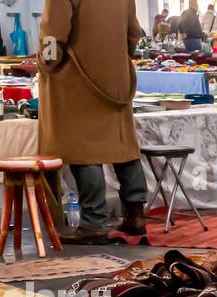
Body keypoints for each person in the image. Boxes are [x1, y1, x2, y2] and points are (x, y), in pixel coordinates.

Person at [39, 0, 148, 243]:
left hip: (75, 75)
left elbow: (52, 33)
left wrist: (45, 64)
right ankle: (136, 214)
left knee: (84, 149)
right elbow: (133, 32)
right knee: (122, 145)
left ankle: (93, 222)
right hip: (116, 76)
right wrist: (118, 59)